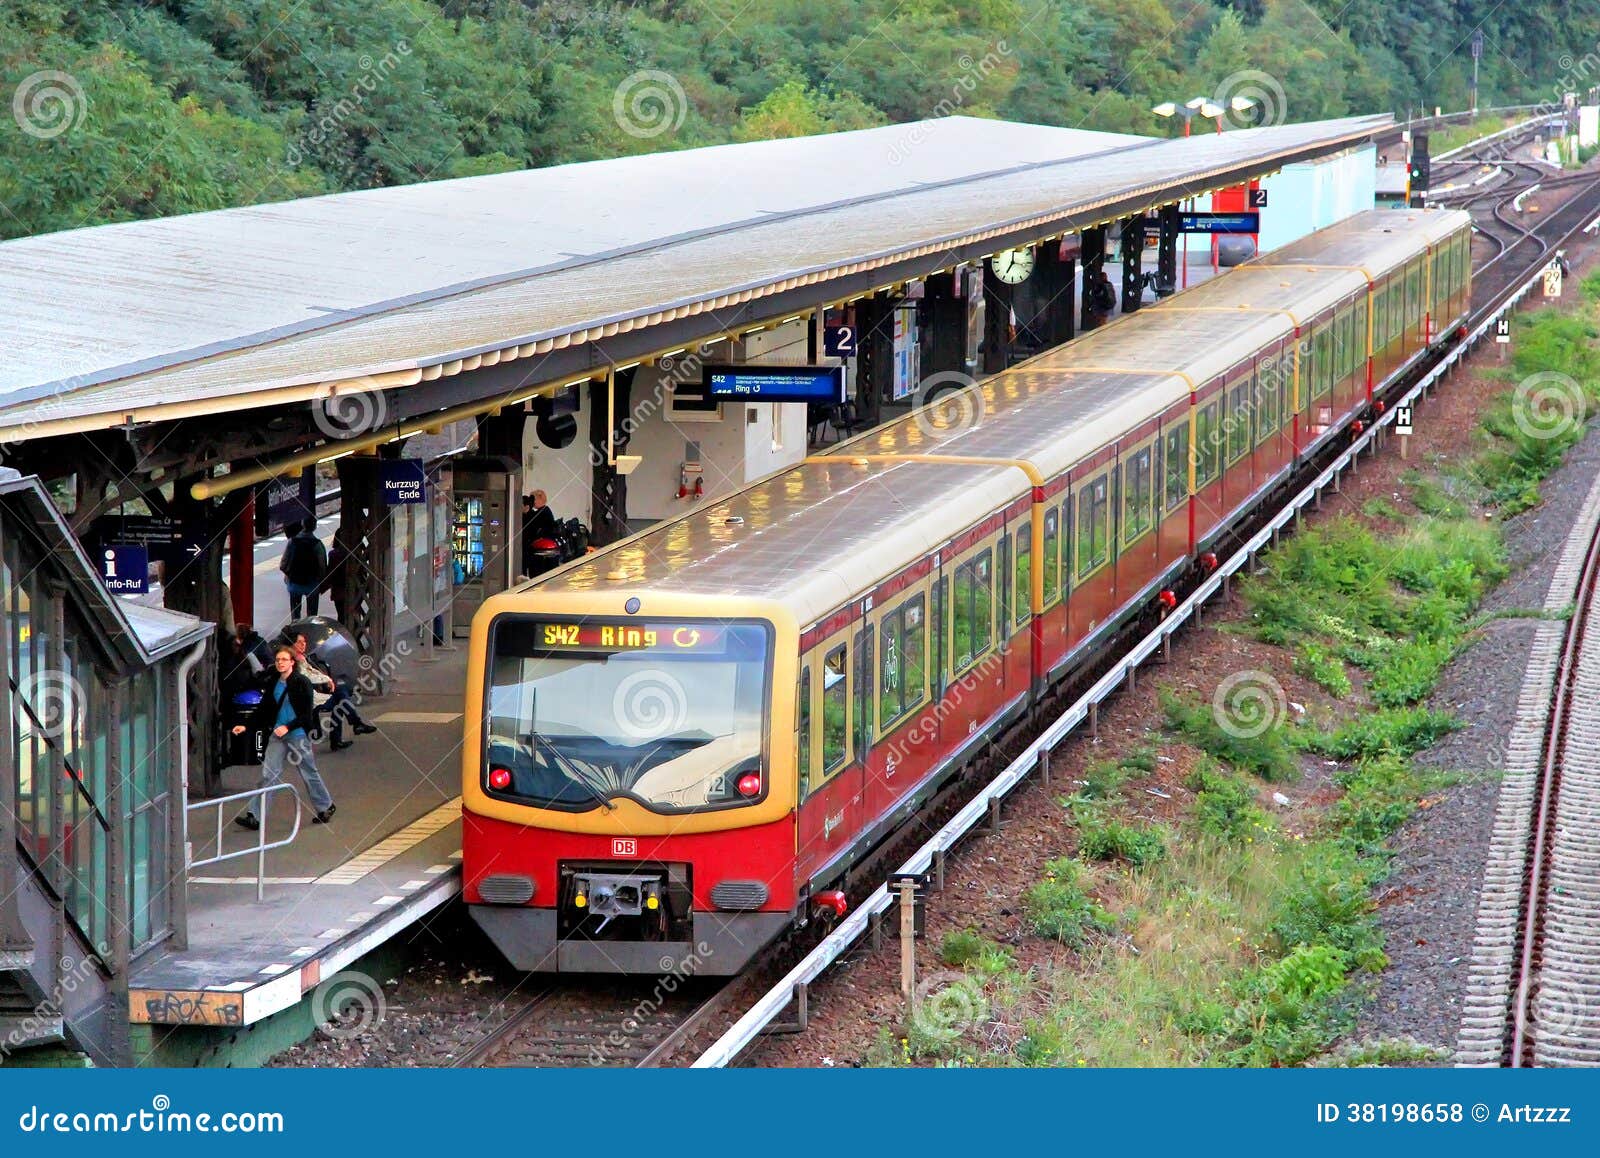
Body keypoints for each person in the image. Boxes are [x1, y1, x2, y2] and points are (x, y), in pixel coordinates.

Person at [231, 645, 336, 827]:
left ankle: (325, 806)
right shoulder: (274, 682)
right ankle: (254, 816)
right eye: (278, 660)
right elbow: (264, 709)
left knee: (308, 771)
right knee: (268, 774)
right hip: (277, 734)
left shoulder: (301, 682)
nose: (280, 663)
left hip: (297, 734)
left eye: (284, 660)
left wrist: (288, 727)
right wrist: (246, 726)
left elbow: (306, 714)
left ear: (292, 663)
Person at [292, 631, 377, 751]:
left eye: (304, 641)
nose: (303, 644)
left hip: (313, 695)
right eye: (299, 642)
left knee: (341, 696)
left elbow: (313, 672)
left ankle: (350, 730)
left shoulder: (301, 658)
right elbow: (308, 677)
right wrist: (327, 679)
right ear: (292, 644)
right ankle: (353, 726)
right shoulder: (294, 661)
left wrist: (327, 679)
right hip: (308, 699)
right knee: (341, 698)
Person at [279, 520, 328, 620]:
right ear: (314, 527)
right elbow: (323, 568)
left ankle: (295, 630)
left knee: (295, 615)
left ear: (302, 524)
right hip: (312, 585)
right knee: (312, 616)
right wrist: (319, 581)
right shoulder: (318, 544)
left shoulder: (292, 542)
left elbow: (283, 565)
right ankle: (310, 632)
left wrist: (289, 577)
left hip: (294, 585)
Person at [521, 490, 557, 575]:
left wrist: (526, 512)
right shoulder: (543, 511)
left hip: (540, 553)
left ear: (539, 499)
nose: (531, 501)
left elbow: (530, 525)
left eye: (533, 498)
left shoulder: (543, 512)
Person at [321, 533, 351, 625]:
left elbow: (331, 573)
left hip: (338, 590)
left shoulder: (333, 554)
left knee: (341, 616)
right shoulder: (353, 553)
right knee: (351, 614)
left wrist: (322, 588)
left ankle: (343, 637)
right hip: (352, 589)